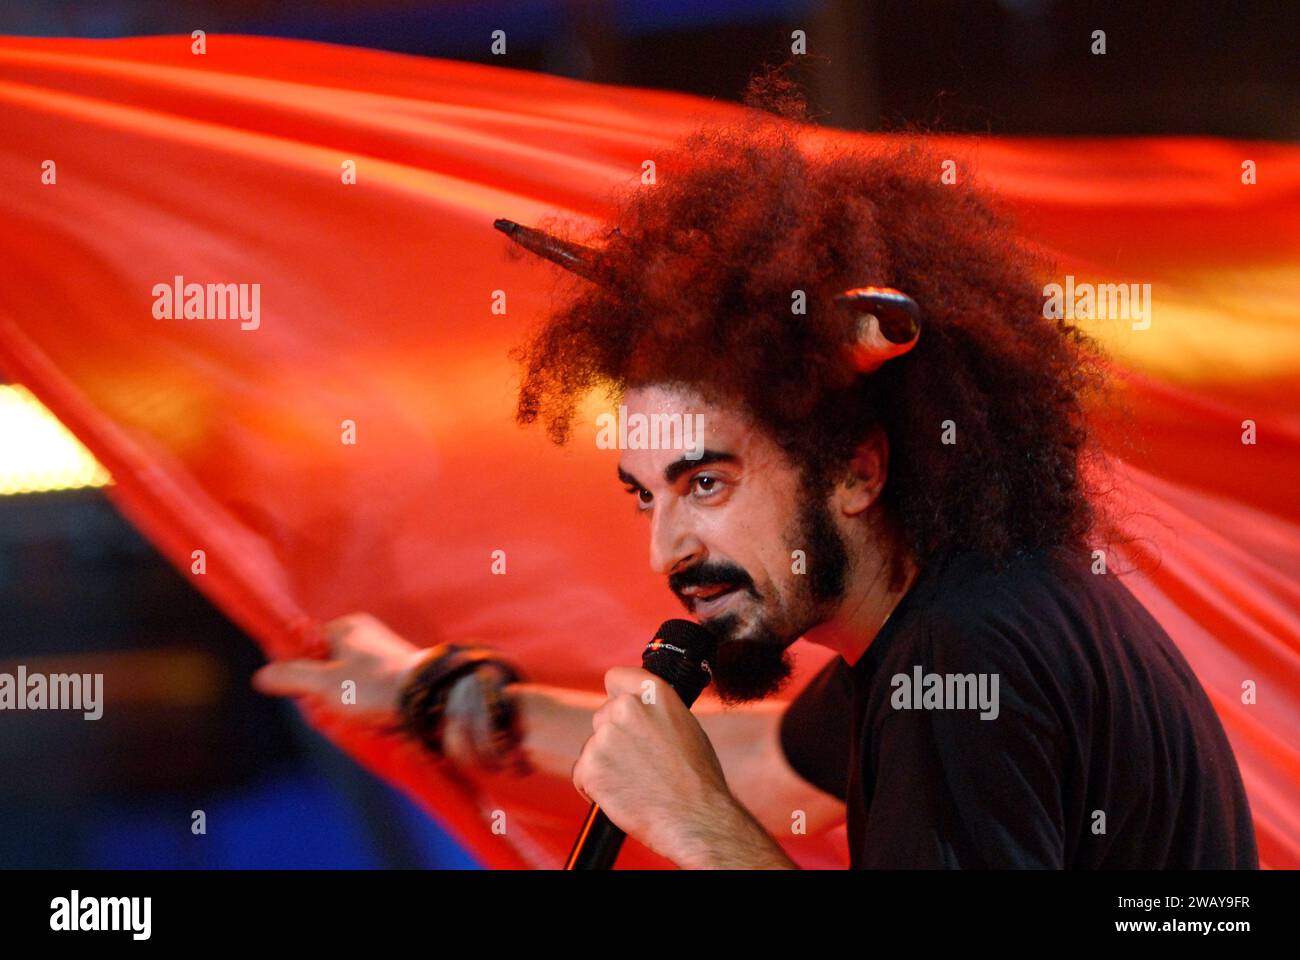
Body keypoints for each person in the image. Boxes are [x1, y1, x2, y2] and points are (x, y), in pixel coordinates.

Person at [252, 71, 1258, 869]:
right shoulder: (957, 625)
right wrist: (441, 693)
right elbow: (765, 763)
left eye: (705, 484)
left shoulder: (960, 659)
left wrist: (696, 828)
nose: (666, 550)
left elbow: (718, 796)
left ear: (856, 470)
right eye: (645, 498)